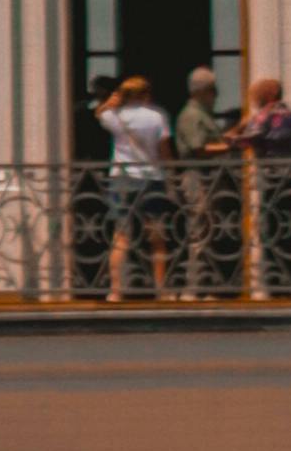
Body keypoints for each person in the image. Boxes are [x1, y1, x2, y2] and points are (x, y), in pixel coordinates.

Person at [94, 70, 170, 302]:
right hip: (151, 177)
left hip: (122, 178)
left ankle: (115, 290)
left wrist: (112, 100)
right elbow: (164, 149)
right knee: (156, 235)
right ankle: (161, 289)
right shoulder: (156, 117)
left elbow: (99, 114)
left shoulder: (116, 117)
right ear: (146, 94)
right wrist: (170, 168)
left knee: (121, 234)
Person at [239, 69, 291, 294]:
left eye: (257, 93)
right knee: (269, 228)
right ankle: (277, 283)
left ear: (271, 93)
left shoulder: (281, 112)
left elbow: (271, 135)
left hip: (282, 178)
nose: (253, 97)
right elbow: (251, 132)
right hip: (270, 178)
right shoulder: (263, 113)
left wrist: (244, 138)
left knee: (280, 228)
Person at [171, 67, 235, 300]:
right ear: (203, 91)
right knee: (199, 230)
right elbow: (199, 148)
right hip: (197, 178)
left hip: (208, 177)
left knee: (207, 230)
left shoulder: (202, 114)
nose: (217, 95)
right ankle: (194, 287)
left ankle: (207, 283)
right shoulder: (192, 115)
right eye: (213, 90)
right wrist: (230, 147)